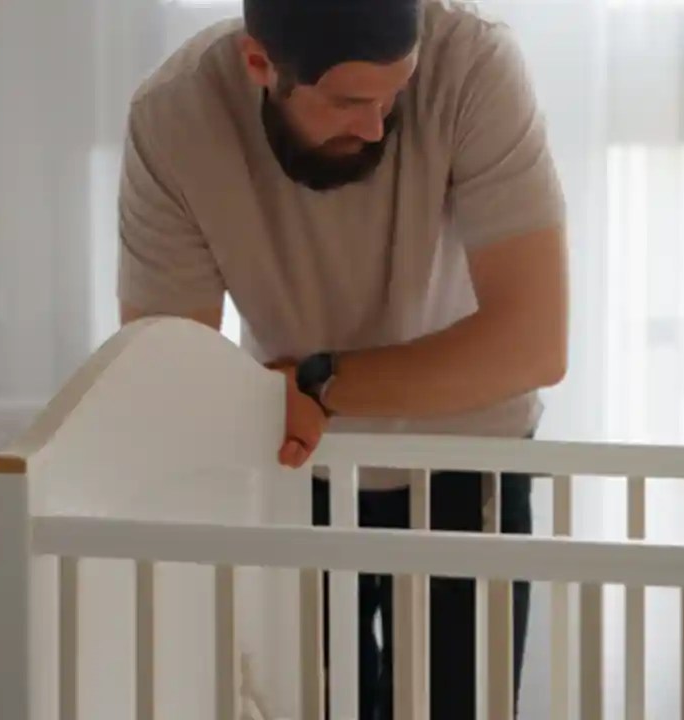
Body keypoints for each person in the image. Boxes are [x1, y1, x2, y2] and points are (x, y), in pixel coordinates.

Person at [117, 0, 567, 716]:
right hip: (298, 464)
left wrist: (317, 383)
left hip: (464, 452)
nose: (378, 124)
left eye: (396, 92)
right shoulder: (175, 121)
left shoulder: (475, 64)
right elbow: (170, 371)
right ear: (261, 65)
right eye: (350, 100)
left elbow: (535, 341)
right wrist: (278, 401)